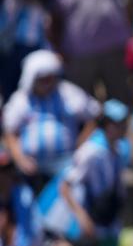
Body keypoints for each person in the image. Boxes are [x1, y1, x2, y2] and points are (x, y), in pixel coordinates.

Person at [51, 98, 131, 246]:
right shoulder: (91, 152)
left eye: (123, 124)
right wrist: (82, 217)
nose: (120, 128)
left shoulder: (118, 150)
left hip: (108, 219)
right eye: (115, 124)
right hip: (93, 222)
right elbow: (65, 186)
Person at [2, 50, 99, 190]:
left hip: (66, 163)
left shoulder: (68, 92)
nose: (47, 83)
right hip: (31, 166)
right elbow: (10, 132)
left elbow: (94, 116)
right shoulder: (21, 99)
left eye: (50, 77)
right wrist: (20, 159)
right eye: (42, 79)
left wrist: (80, 146)